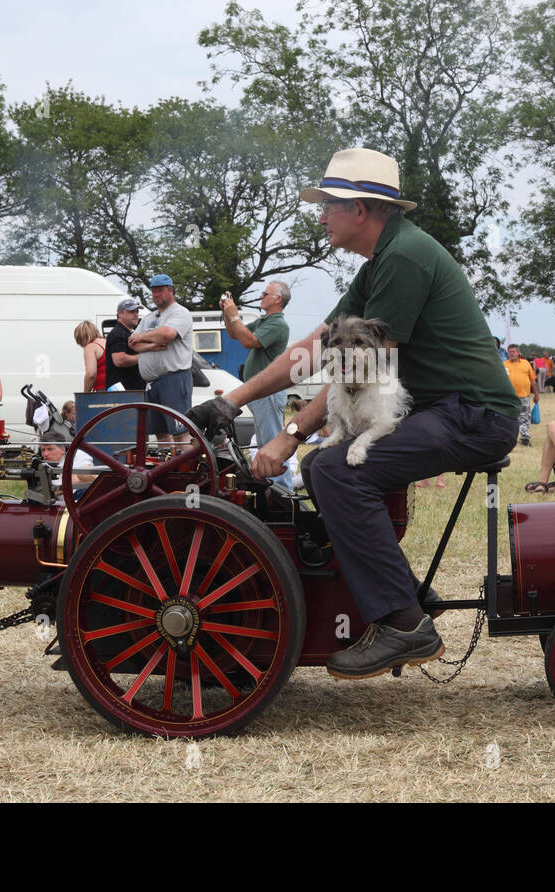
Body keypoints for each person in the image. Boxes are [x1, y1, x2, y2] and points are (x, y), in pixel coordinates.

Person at [187, 147, 518, 680]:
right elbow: (318, 346)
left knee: (338, 469)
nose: (320, 217)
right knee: (323, 467)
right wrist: (233, 400)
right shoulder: (383, 259)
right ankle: (405, 591)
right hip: (444, 409)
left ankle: (405, 622)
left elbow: (354, 372)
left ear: (360, 210)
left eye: (327, 207)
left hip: (475, 416)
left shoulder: (405, 258)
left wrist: (290, 435)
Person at [222, 281, 292, 490]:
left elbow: (249, 341)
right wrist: (228, 312)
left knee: (273, 446)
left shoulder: (278, 324)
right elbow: (236, 333)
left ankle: (283, 493)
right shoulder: (265, 320)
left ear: (278, 299)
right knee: (266, 444)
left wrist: (234, 314)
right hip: (262, 394)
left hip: (268, 392)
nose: (261, 297)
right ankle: (273, 490)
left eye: (265, 294)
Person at [129, 273, 194, 446]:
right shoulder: (149, 317)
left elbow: (167, 334)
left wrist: (143, 337)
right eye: (154, 291)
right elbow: (132, 343)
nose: (156, 294)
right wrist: (151, 345)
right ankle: (167, 470)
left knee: (180, 431)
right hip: (152, 383)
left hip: (174, 378)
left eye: (160, 290)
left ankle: (183, 470)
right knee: (161, 433)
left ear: (171, 290)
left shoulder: (181, 313)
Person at [105, 298, 146, 392]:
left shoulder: (127, 333)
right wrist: (145, 357)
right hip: (122, 392)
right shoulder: (118, 333)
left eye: (137, 311)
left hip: (130, 391)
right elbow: (119, 360)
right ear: (120, 314)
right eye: (131, 311)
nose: (136, 315)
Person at [503, 343, 539, 446]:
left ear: (518, 353)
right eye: (509, 352)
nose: (511, 354)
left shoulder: (526, 363)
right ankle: (509, 437)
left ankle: (524, 437)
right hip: (509, 397)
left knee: (524, 417)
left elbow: (533, 381)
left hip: (524, 396)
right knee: (509, 417)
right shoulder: (504, 364)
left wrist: (536, 394)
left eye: (513, 351)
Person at [74, 320, 107, 392]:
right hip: (116, 388)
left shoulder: (90, 347)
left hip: (103, 391)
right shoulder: (106, 341)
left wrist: (85, 394)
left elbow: (91, 374)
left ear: (80, 337)